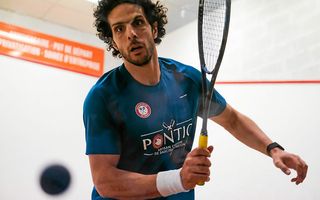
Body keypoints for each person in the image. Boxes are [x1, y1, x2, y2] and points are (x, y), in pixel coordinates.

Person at [83, 0, 308, 199]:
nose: (131, 33)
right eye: (119, 29)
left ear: (153, 28)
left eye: (138, 23)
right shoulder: (103, 97)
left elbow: (232, 120)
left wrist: (273, 149)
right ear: (113, 42)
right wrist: (178, 180)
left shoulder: (187, 79)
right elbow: (106, 181)